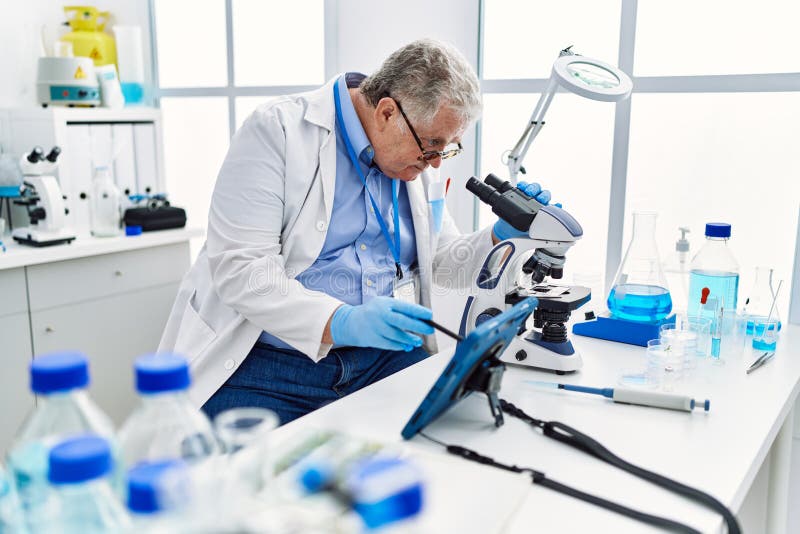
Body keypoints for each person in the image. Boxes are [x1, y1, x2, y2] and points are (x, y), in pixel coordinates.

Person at [158, 39, 550, 424]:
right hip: (268, 365)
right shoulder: (275, 130)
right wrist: (340, 320)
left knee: (451, 441)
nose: (434, 164)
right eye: (432, 146)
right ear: (386, 112)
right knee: (264, 475)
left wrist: (501, 237)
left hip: (380, 357)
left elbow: (443, 265)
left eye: (448, 148)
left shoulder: (411, 155)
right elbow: (243, 272)